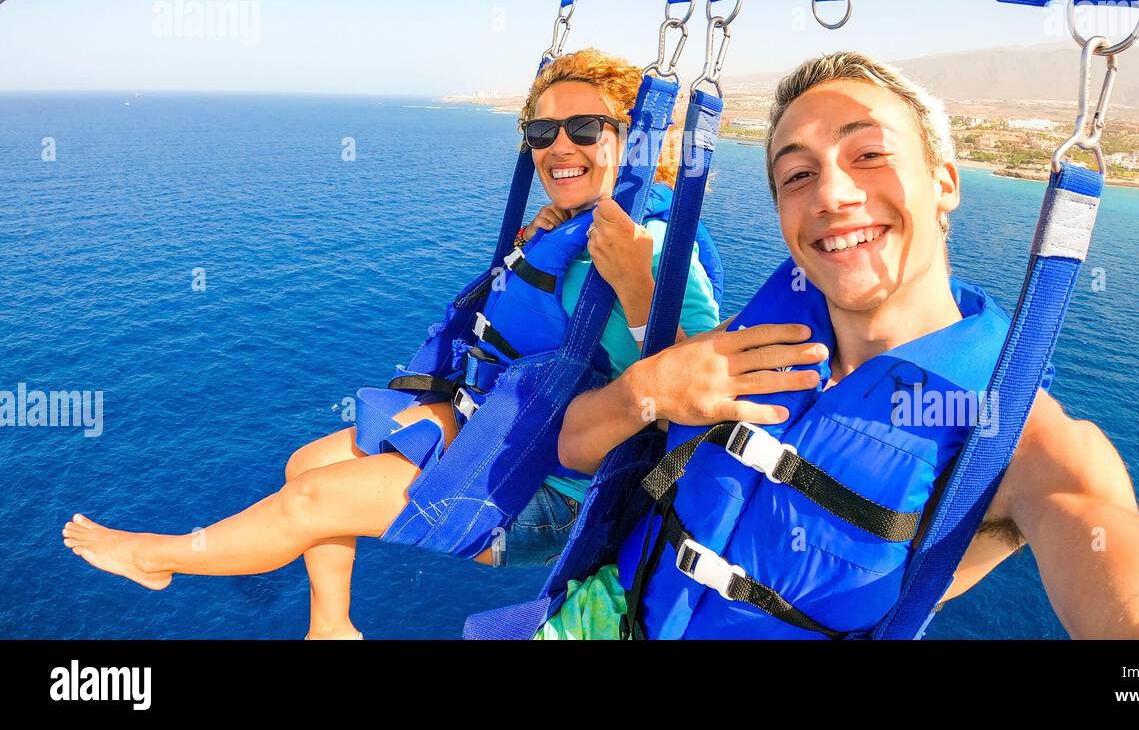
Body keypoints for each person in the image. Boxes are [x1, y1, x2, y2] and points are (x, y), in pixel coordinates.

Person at [539, 50, 1139, 640]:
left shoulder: (1023, 445)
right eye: (797, 173)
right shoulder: (741, 346)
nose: (832, 193)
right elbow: (572, 447)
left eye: (867, 153)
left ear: (944, 182)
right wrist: (647, 388)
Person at [60, 48, 721, 639]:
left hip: (552, 489)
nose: (558, 146)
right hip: (500, 427)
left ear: (630, 139)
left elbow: (710, 395)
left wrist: (638, 287)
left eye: (584, 129)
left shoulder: (657, 246)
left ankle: (155, 557)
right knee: (303, 465)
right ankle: (332, 627)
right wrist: (553, 229)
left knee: (310, 504)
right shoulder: (572, 225)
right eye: (542, 132)